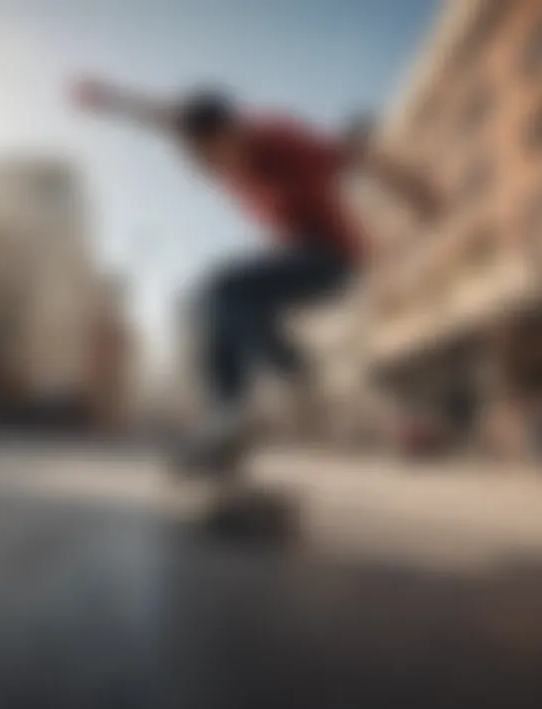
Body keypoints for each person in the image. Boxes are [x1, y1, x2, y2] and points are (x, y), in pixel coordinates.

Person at [70, 77, 442, 470]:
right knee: (206, 305)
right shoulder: (206, 136)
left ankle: (290, 375)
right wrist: (112, 101)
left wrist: (418, 192)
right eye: (202, 160)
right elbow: (166, 116)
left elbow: (358, 155)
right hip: (294, 261)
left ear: (232, 131)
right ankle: (226, 416)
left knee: (224, 287)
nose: (214, 168)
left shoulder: (286, 143)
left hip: (332, 260)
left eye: (214, 155)